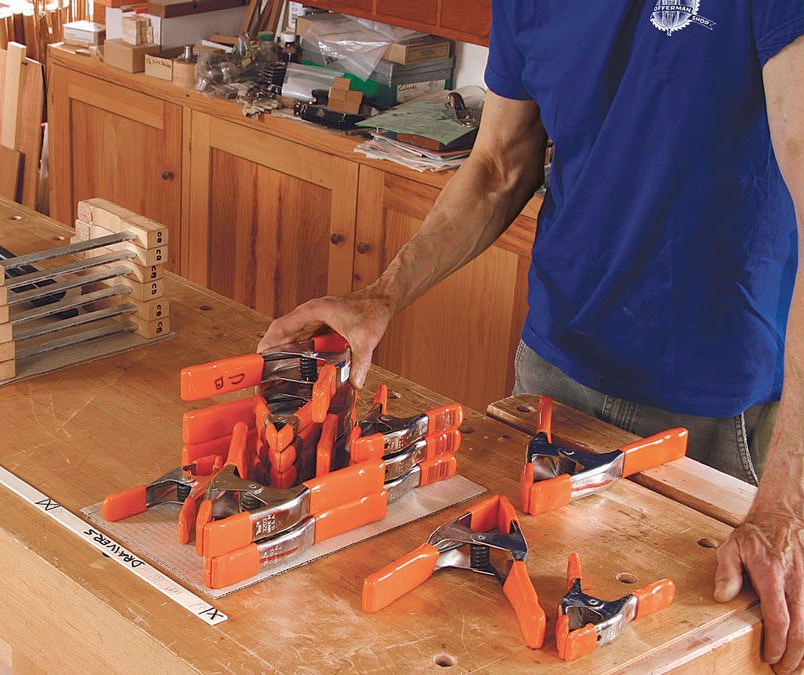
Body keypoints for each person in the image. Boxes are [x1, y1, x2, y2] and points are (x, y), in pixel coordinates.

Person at [259, 3, 804, 670]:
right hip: (553, 376)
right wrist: (380, 296)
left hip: (719, 404)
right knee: (511, 646)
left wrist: (787, 504)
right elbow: (497, 166)